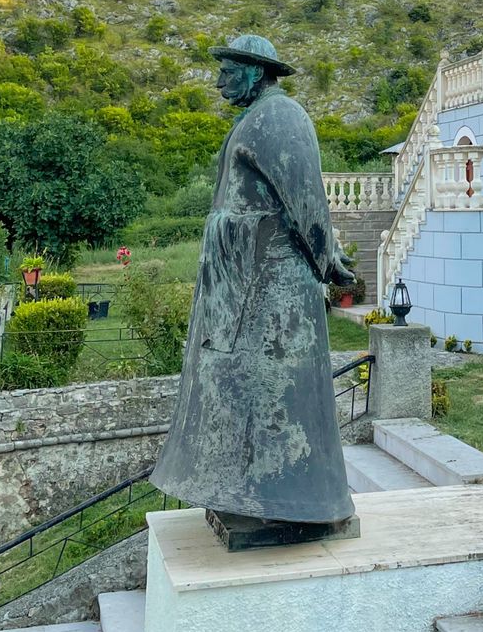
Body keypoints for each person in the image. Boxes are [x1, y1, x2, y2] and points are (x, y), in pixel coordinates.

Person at [152, 34, 357, 546]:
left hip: (273, 286)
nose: (219, 79)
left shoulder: (280, 117)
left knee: (278, 396)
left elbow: (306, 200)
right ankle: (256, 496)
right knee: (247, 391)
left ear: (255, 70)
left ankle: (295, 504)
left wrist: (327, 260)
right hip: (247, 281)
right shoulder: (256, 118)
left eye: (228, 69)